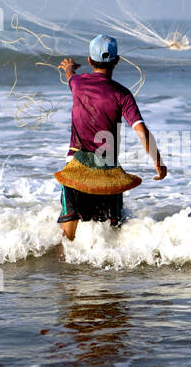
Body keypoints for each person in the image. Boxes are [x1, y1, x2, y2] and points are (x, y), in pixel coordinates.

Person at [57, 34, 167, 240]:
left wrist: (68, 67)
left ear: (90, 61)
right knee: (111, 229)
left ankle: (65, 269)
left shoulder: (78, 84)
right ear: (117, 61)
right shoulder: (122, 94)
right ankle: (110, 271)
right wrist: (158, 162)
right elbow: (141, 132)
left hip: (75, 163)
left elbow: (70, 77)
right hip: (107, 167)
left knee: (68, 227)